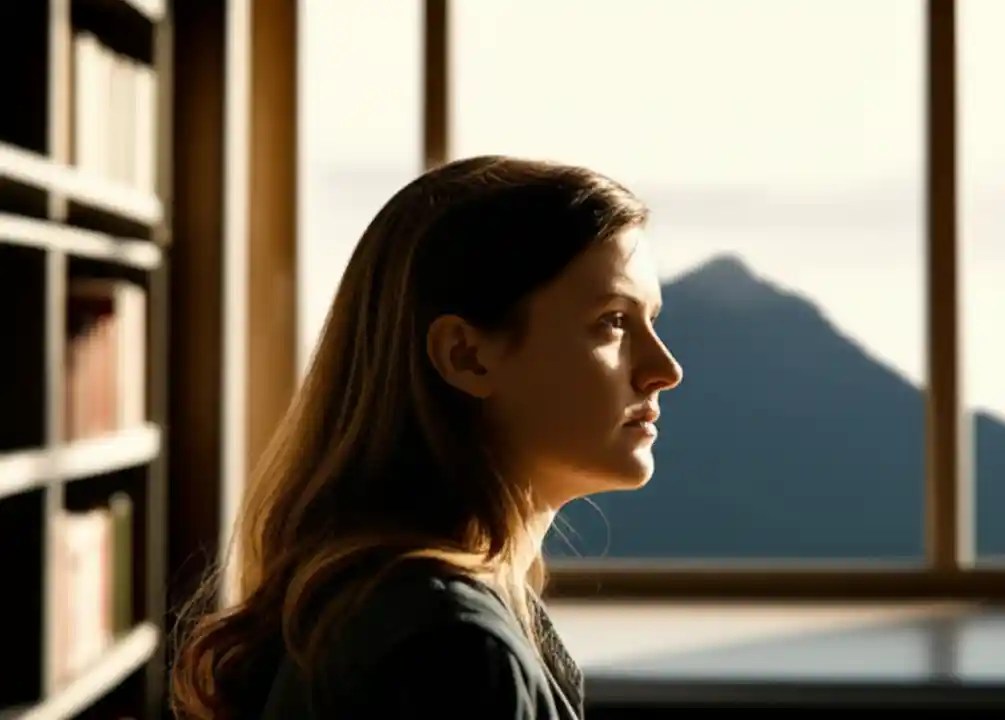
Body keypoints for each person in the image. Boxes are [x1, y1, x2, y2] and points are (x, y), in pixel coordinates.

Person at [169, 155, 684, 719]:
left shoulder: (394, 610)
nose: (664, 368)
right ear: (466, 356)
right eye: (613, 321)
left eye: (651, 321)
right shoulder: (449, 651)